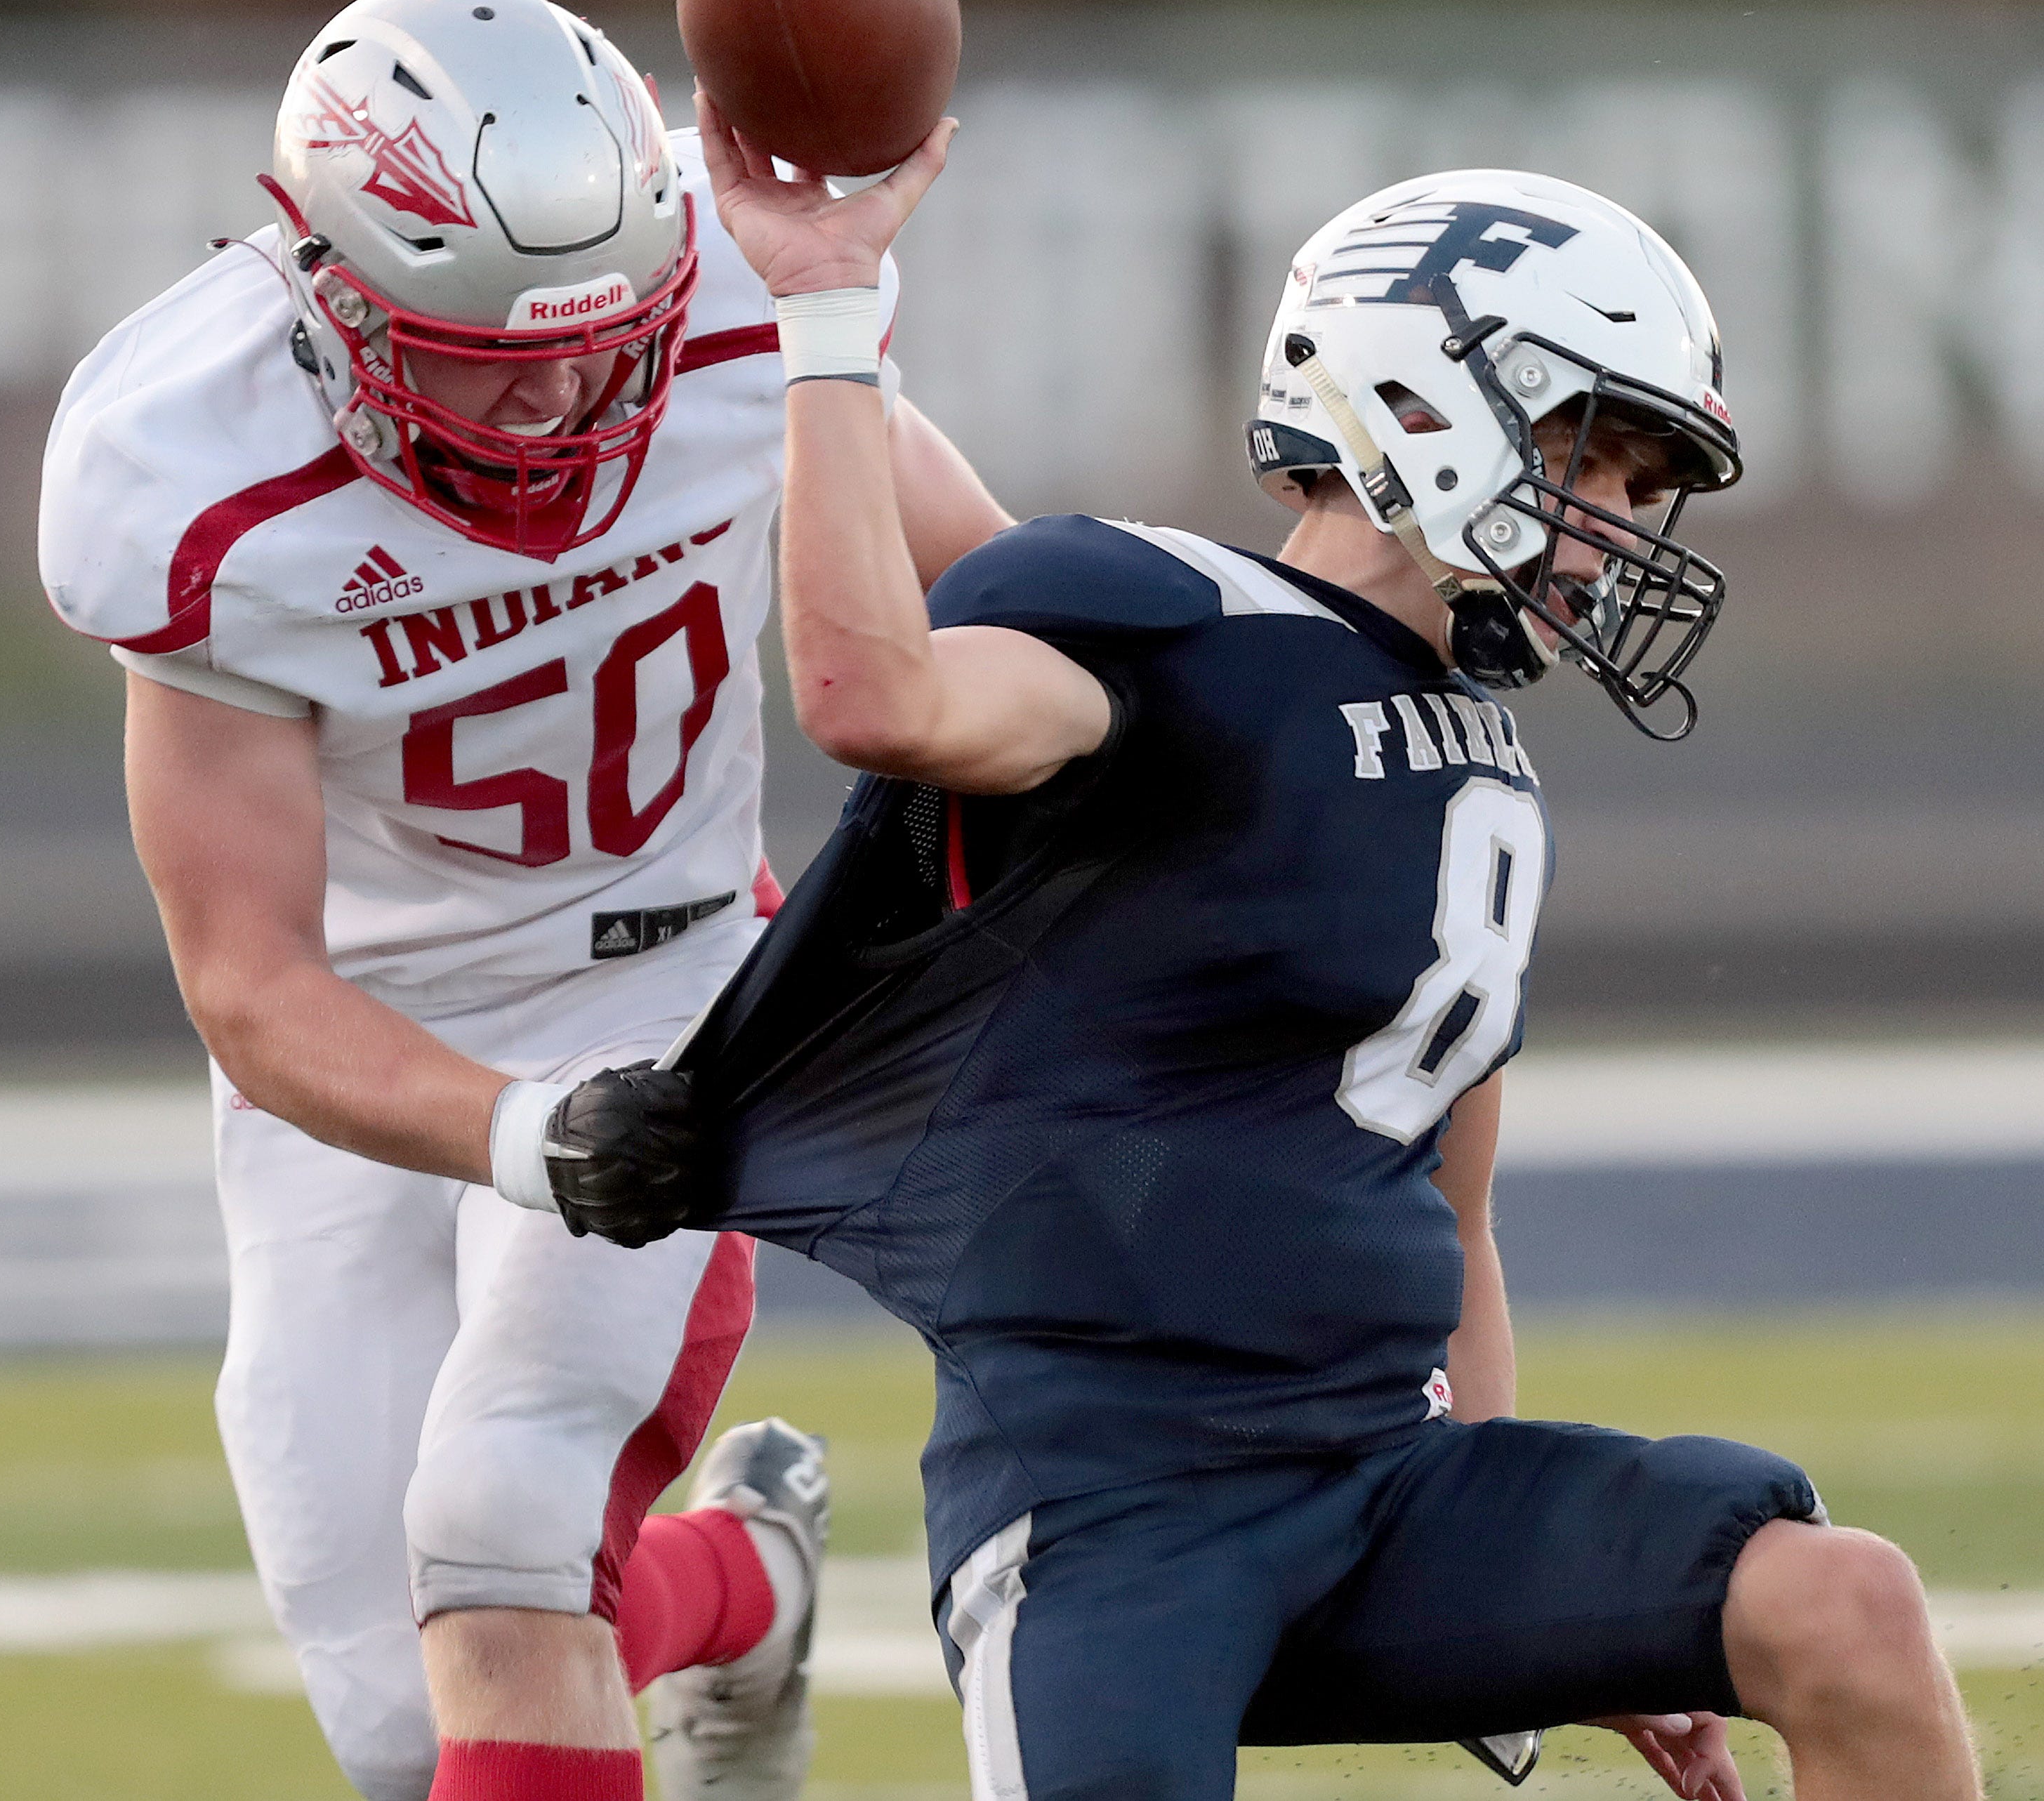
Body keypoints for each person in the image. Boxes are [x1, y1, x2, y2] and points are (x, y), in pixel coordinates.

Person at [541, 110, 1985, 1801]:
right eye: (1596, 461)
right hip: (1110, 1516)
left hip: (1383, 1488)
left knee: (1846, 1599)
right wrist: (828, 322)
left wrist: (1545, 1599)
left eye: (1637, 489)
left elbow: (1451, 1205)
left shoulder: (1474, 756)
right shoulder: (1156, 624)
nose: (1614, 528)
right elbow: (879, 696)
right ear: (1434, 400)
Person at [36, 0, 1010, 1801]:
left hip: (661, 988)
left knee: (499, 1529)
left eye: (605, 332)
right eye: (492, 350)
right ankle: (746, 1579)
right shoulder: (195, 466)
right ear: (327, 293)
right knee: (405, 1733)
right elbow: (249, 983)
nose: (567, 392)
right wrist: (514, 1129)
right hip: (356, 1060)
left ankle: (679, 1581)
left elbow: (1009, 604)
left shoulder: (738, 303)